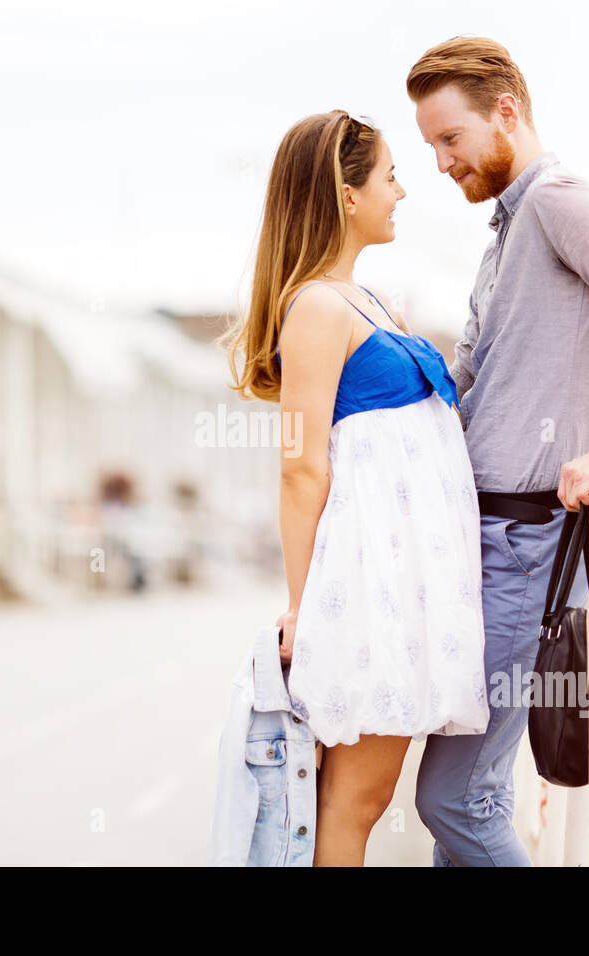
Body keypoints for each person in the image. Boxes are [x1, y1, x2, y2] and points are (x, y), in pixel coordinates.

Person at [406, 36, 589, 866]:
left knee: (453, 798)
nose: (439, 162)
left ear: (506, 111)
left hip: (532, 544)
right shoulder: (504, 235)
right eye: (430, 146)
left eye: (450, 139)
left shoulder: (560, 201)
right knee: (480, 797)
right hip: (491, 544)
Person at [224, 110, 490, 866]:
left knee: (359, 800)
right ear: (346, 194)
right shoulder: (315, 307)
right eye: (389, 176)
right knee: (353, 801)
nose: (403, 191)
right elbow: (301, 466)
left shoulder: (370, 302)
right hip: (370, 589)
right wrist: (306, 611)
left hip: (408, 584)